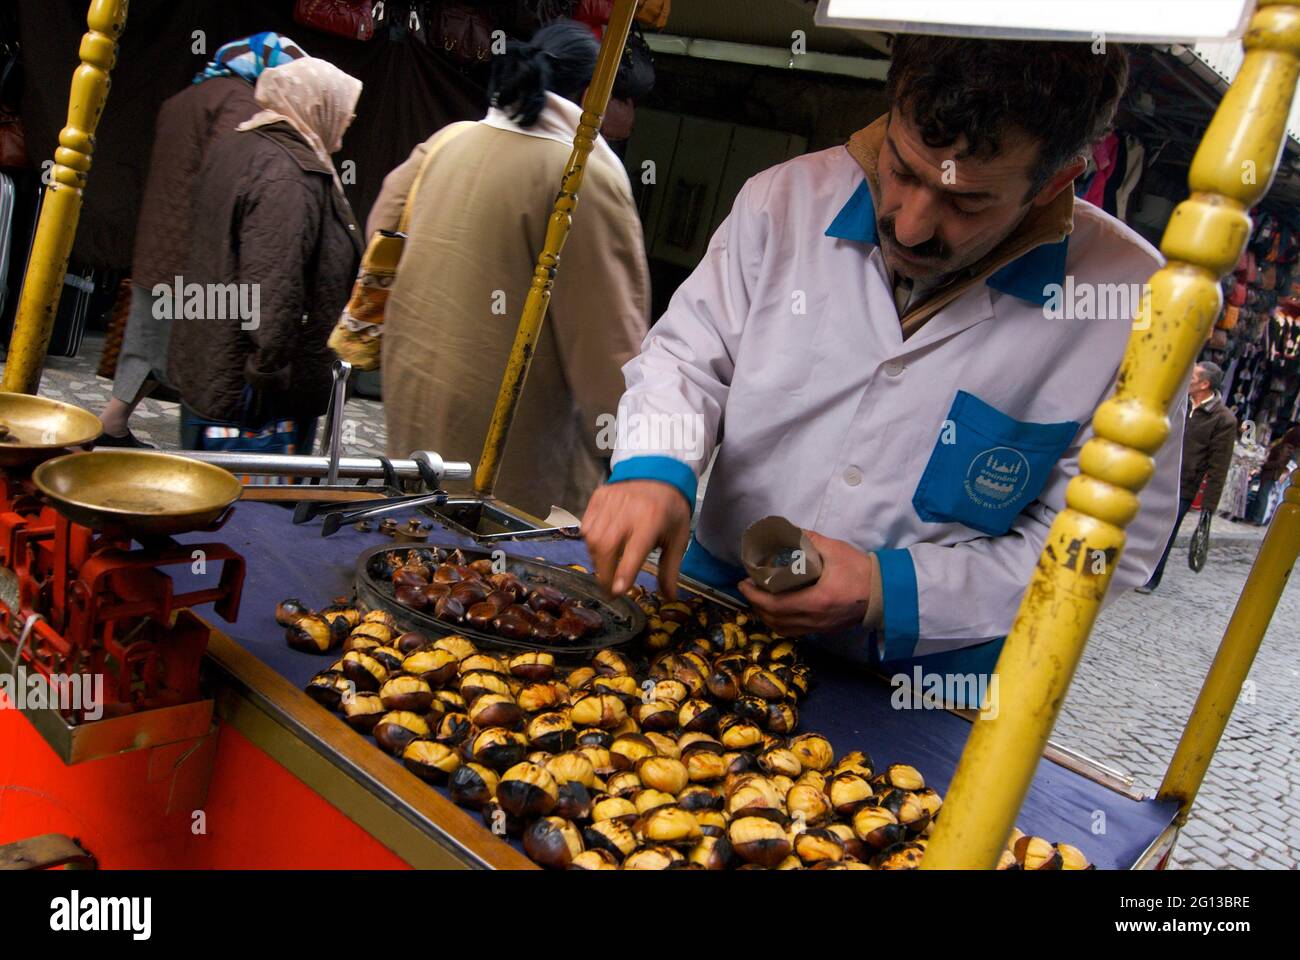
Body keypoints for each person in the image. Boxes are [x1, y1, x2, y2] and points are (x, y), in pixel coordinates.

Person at [582, 36, 1184, 698]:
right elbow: (688, 358)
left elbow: (1107, 549)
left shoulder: (1132, 304)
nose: (913, 225)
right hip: (717, 603)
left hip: (926, 679)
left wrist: (888, 589)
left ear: (1056, 182)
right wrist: (654, 467)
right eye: (902, 169)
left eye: (967, 202)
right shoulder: (785, 200)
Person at [375, 20, 649, 518]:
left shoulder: (447, 142)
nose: (631, 116)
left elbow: (382, 239)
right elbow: (607, 349)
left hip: (411, 415)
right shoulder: (581, 171)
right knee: (485, 588)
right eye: (629, 100)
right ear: (597, 92)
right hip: (509, 462)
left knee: (408, 560)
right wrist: (641, 460)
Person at [97, 32, 307, 447]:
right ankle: (203, 444)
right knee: (199, 352)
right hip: (197, 252)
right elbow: (235, 171)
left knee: (148, 343)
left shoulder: (188, 97)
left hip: (160, 242)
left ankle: (111, 426)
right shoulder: (239, 103)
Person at [167, 57, 363, 452]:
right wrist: (267, 374)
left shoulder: (240, 143)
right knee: (252, 507)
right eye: (344, 107)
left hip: (211, 357)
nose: (350, 117)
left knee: (204, 493)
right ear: (316, 105)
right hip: (252, 392)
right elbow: (274, 285)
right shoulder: (287, 174)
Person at [1136, 362, 1237, 593]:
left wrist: (1208, 509)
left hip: (1184, 485)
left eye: (1192, 376)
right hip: (1154, 474)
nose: (1186, 379)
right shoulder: (1178, 403)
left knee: (1165, 533)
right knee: (1135, 521)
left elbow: (1218, 466)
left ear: (1204, 384)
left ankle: (1152, 577)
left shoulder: (1223, 420)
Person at [1250, 421, 1300, 525]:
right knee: (1264, 495)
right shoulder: (1290, 449)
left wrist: (1265, 465)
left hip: (1271, 473)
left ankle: (1258, 519)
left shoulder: (1286, 448)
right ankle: (1258, 518)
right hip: (1274, 473)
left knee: (1263, 495)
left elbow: (1279, 463)